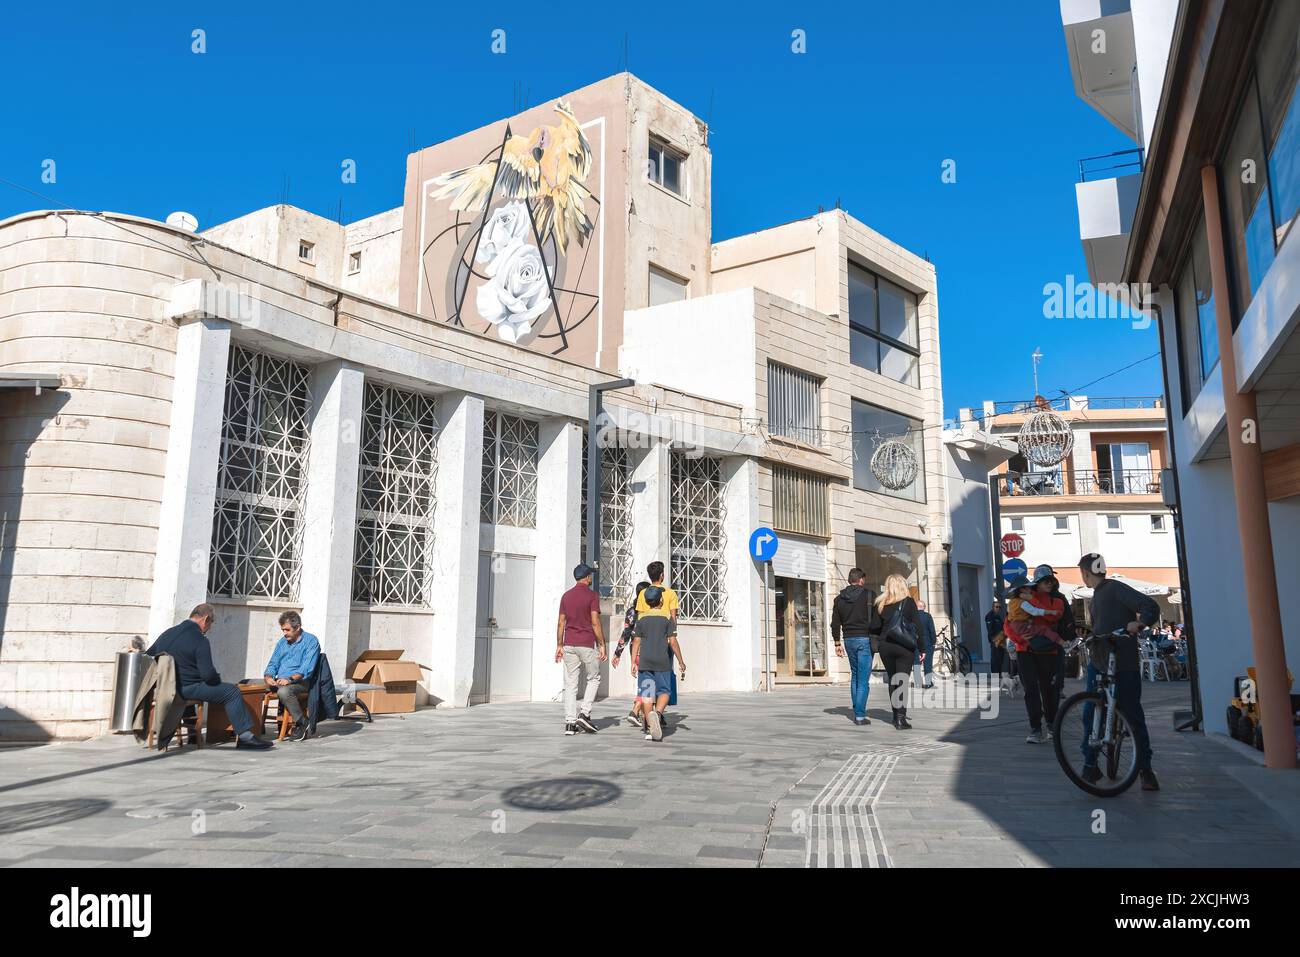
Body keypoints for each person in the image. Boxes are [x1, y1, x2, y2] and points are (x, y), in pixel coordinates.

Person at [1077, 553, 1161, 791]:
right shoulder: (1098, 595)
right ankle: (1092, 765)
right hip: (1102, 660)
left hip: (1122, 663)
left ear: (1084, 573)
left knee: (1125, 715)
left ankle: (1143, 769)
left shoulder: (1113, 588)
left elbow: (1149, 606)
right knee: (1097, 713)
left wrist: (1141, 623)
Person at [146, 604, 272, 750]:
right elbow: (207, 674)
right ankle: (245, 737)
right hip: (187, 688)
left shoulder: (168, 633)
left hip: (165, 687)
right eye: (211, 623)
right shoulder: (200, 639)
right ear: (206, 619)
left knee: (204, 688)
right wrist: (217, 680)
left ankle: (193, 734)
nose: (210, 628)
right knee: (231, 691)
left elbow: (149, 656)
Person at [555, 563, 607, 736]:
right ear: (587, 577)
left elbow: (561, 622)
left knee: (571, 684)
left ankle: (570, 724)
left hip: (569, 644)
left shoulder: (566, 596)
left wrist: (559, 645)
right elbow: (595, 622)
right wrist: (602, 644)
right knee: (594, 678)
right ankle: (584, 713)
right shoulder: (592, 596)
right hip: (586, 643)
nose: (591, 577)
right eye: (590, 575)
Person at [631, 586, 686, 742]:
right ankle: (659, 713)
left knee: (647, 694)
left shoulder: (641, 619)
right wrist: (681, 661)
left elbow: (636, 641)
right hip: (662, 661)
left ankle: (649, 727)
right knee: (664, 692)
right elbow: (673, 641)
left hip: (645, 661)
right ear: (661, 601)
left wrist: (633, 662)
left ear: (647, 603)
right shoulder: (667, 618)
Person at [1018, 570, 1067, 744]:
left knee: (1049, 690)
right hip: (1025, 650)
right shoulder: (1022, 598)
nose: (1049, 584)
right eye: (1044, 581)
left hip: (1047, 650)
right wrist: (1018, 638)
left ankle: (1052, 724)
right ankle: (1035, 728)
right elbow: (1009, 622)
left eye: (1051, 581)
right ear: (1036, 582)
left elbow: (1051, 614)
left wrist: (1031, 600)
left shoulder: (1057, 601)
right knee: (1030, 690)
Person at [870, 574, 921, 730]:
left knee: (893, 680)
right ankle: (900, 718)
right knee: (902, 681)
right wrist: (923, 648)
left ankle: (895, 716)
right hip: (904, 647)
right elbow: (918, 626)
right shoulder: (909, 602)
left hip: (886, 647)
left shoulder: (880, 603)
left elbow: (874, 627)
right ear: (902, 585)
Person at [263, 611, 321, 742]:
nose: (284, 633)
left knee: (284, 691)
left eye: (287, 630)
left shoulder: (311, 641)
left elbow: (306, 670)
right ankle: (248, 729)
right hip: (280, 680)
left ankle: (302, 722)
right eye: (283, 630)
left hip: (300, 682)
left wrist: (289, 680)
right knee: (248, 685)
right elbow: (273, 663)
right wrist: (269, 676)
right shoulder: (282, 642)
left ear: (298, 627)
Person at [831, 567, 880, 725]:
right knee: (863, 679)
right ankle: (859, 715)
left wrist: (837, 643)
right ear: (861, 580)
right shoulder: (869, 595)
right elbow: (878, 619)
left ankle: (856, 708)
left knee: (855, 676)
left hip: (848, 640)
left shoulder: (839, 599)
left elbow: (835, 623)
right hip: (865, 639)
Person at [1031, 563, 1076, 707]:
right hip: (1046, 646)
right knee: (1049, 684)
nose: (1050, 583)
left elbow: (1067, 622)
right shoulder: (1033, 597)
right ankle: (1050, 715)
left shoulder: (1054, 598)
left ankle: (1050, 716)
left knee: (1048, 684)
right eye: (1047, 579)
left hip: (1046, 646)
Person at [612, 581, 652, 727]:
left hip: (634, 651)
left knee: (643, 680)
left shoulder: (631, 611)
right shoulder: (649, 611)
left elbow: (626, 633)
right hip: (647, 649)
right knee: (648, 681)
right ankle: (636, 711)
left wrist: (618, 653)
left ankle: (643, 714)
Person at [913, 590, 938, 689]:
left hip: (915, 642)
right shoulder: (928, 616)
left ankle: (918, 683)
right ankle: (928, 683)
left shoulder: (912, 616)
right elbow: (932, 630)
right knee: (928, 663)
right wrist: (933, 641)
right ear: (924, 607)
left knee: (916, 663)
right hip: (927, 642)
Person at [986, 599, 1006, 676]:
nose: (998, 608)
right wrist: (995, 640)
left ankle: (999, 674)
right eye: (996, 607)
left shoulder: (998, 616)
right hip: (995, 641)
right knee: (995, 659)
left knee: (1000, 659)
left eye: (999, 607)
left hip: (1001, 640)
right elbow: (990, 630)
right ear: (993, 607)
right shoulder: (990, 616)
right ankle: (995, 675)